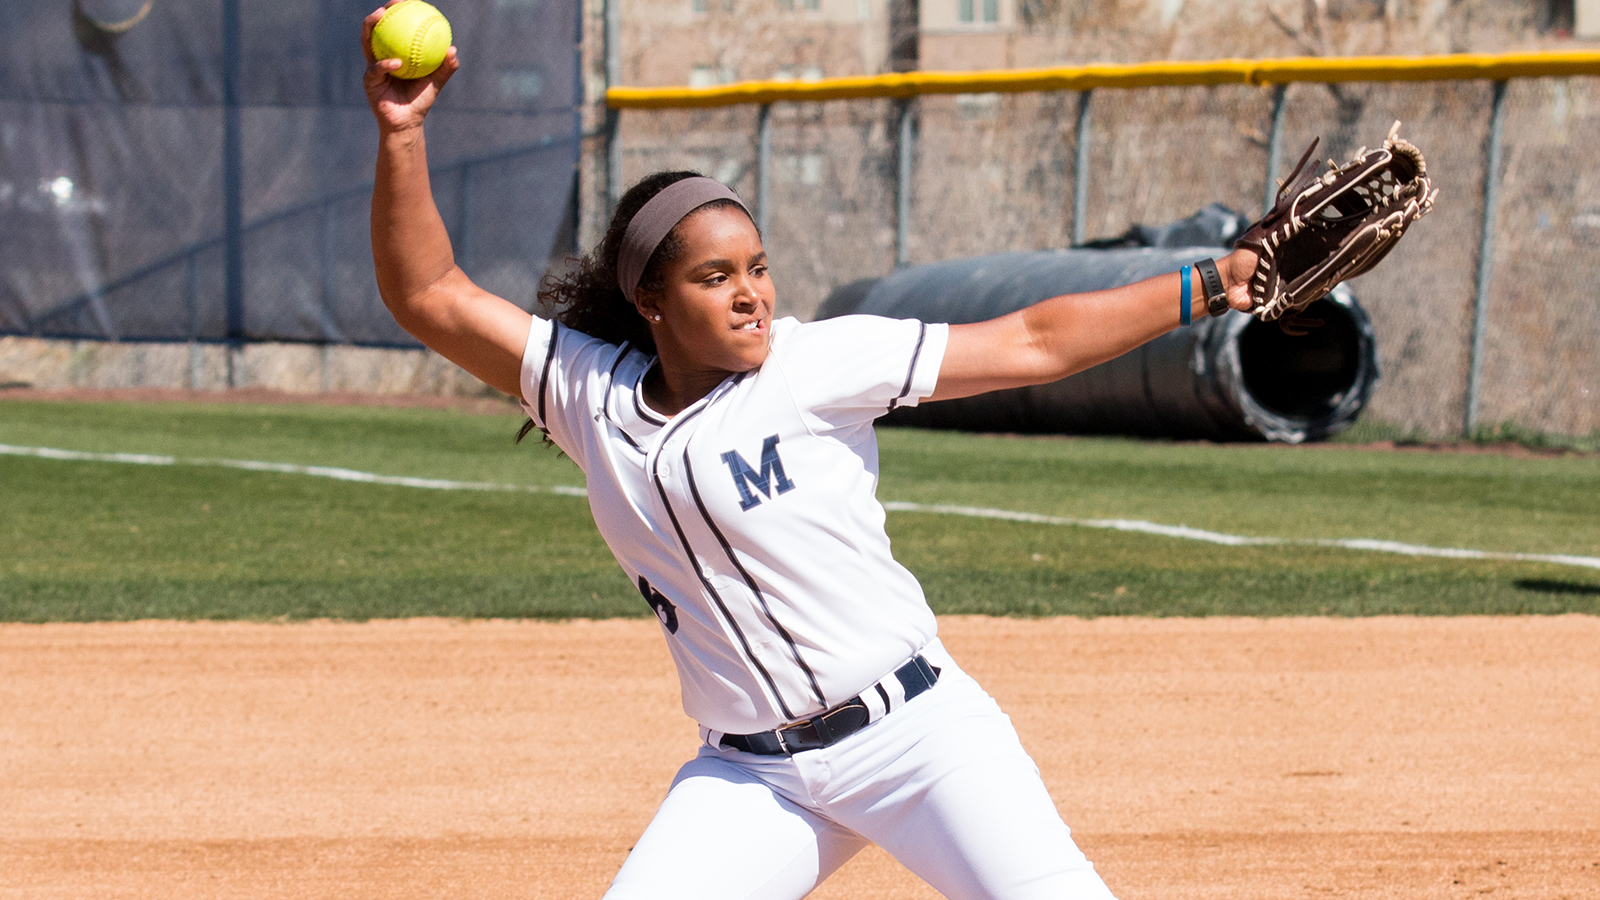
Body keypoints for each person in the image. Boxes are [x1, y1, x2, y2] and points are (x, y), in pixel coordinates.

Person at [363, 6, 1258, 898]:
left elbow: (1033, 341)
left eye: (757, 267)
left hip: (919, 742)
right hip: (754, 778)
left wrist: (1214, 282)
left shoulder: (815, 364)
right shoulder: (585, 393)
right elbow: (428, 293)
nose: (751, 294)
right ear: (650, 300)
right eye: (715, 277)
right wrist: (402, 133)